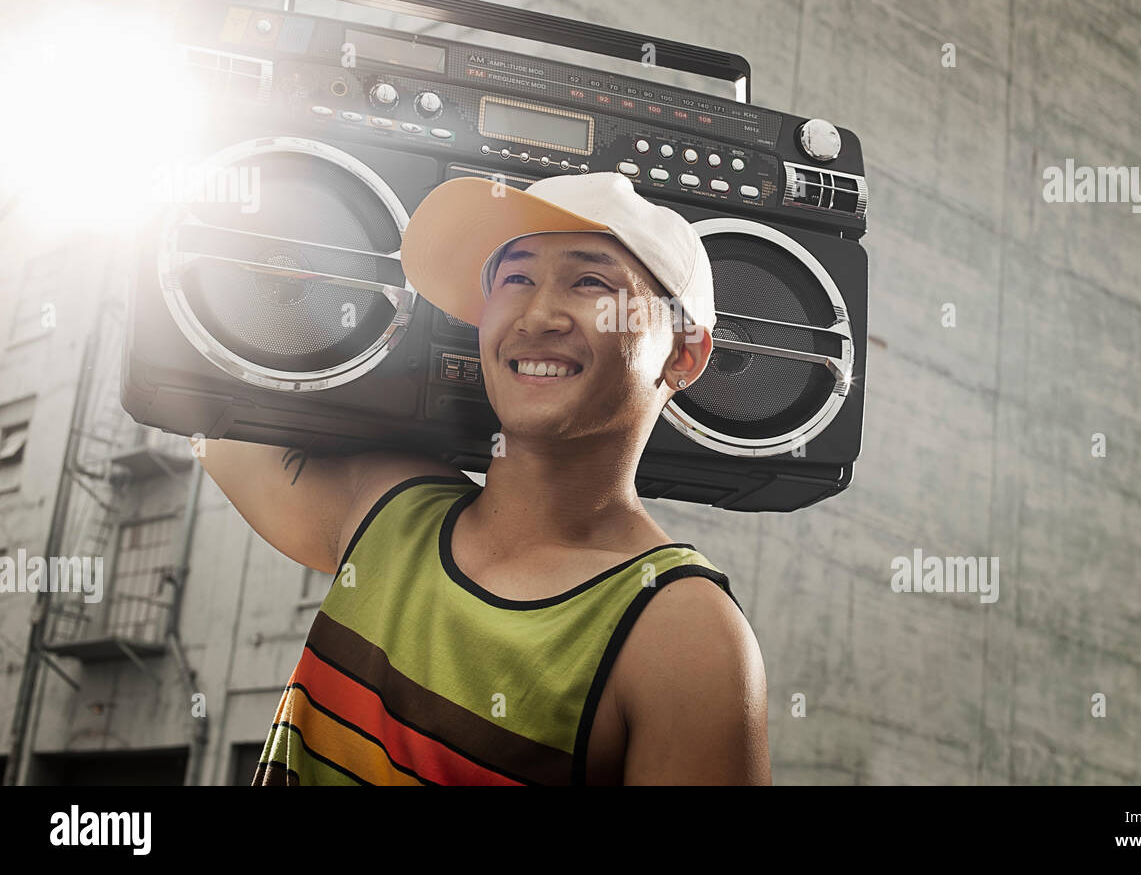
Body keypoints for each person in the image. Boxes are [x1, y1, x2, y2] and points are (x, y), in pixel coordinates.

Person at [200, 170, 771, 785]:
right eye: (515, 278)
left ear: (684, 353)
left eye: (590, 281)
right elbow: (203, 408)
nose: (538, 313)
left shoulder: (685, 634)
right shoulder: (386, 507)